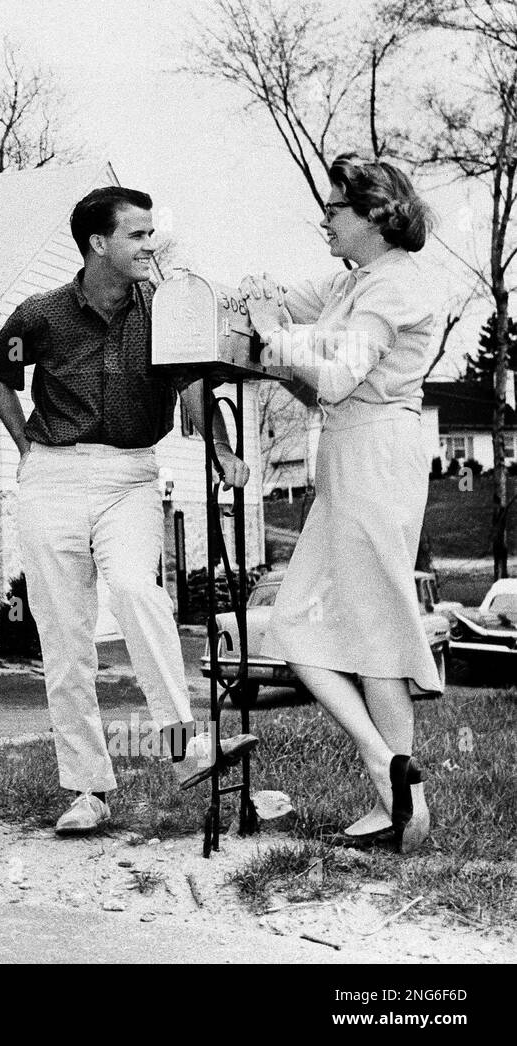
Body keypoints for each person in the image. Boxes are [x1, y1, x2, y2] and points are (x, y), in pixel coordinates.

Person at [0, 185, 259, 835]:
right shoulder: (43, 316)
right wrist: (26, 446)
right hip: (52, 478)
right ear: (98, 243)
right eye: (137, 234)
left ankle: (187, 744)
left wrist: (216, 446)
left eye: (152, 232)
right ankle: (87, 789)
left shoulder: (167, 309)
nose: (150, 244)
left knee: (137, 590)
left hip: (130, 476)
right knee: (67, 639)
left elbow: (192, 385)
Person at [239, 152, 440, 853]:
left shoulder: (397, 290)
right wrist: (257, 300)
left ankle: (398, 798)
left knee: (376, 634)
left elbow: (332, 374)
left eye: (336, 208)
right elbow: (286, 303)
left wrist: (272, 334)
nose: (324, 217)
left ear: (376, 216)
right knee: (306, 627)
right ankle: (395, 785)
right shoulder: (355, 282)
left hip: (379, 453)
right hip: (352, 456)